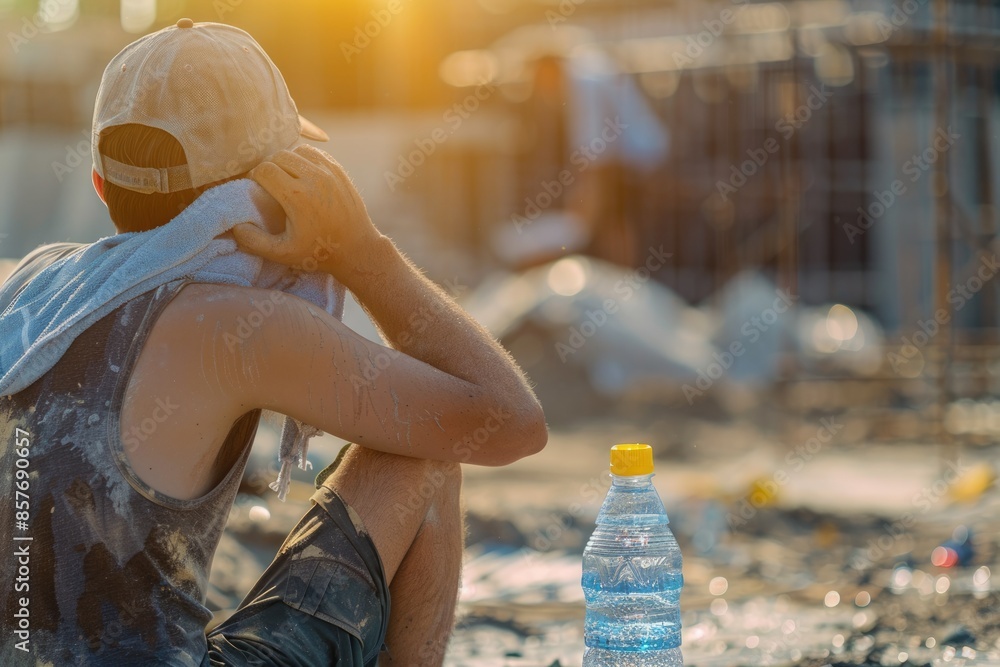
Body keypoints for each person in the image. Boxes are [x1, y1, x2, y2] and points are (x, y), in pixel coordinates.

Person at [0, 19, 547, 667]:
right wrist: (362, 253)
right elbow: (509, 421)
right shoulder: (239, 327)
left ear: (98, 185)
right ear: (261, 192)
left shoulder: (33, 291)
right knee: (421, 454)